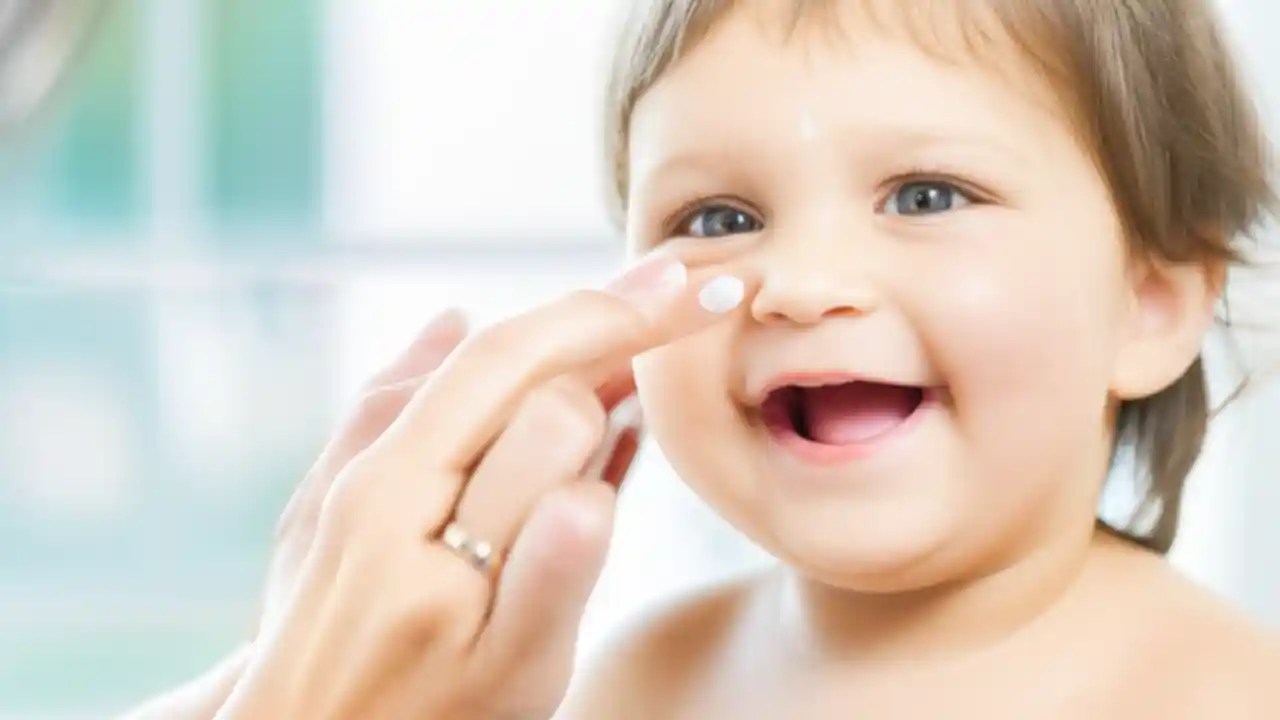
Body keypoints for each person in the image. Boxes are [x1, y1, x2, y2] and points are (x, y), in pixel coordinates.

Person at [128, 0, 1279, 717]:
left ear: (1148, 307)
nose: (800, 283)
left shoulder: (1228, 695)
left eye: (925, 195)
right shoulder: (635, 681)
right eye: (718, 218)